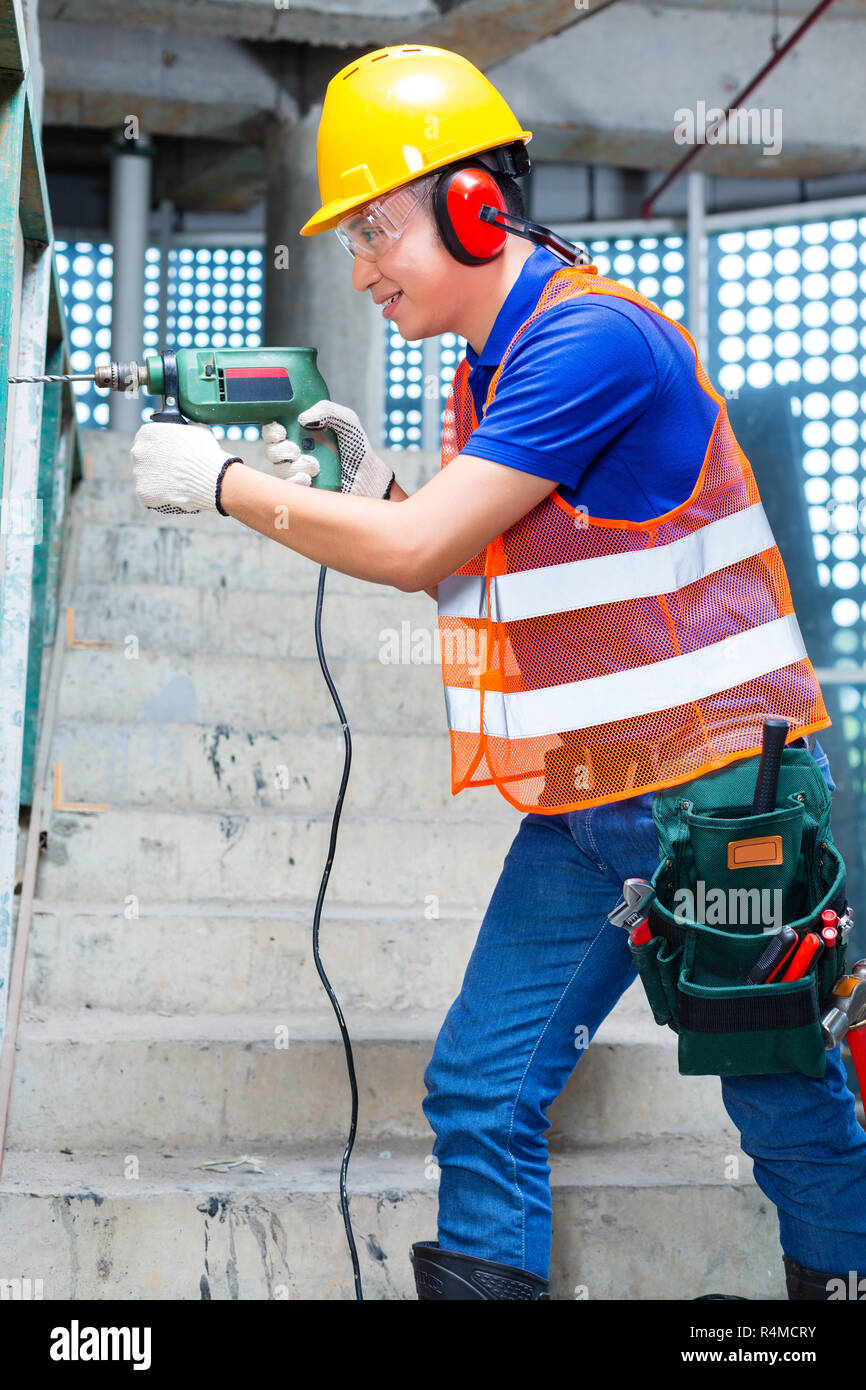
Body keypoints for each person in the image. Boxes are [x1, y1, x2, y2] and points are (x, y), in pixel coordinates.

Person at [131, 43, 866, 1301]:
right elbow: (453, 559)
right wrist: (364, 490)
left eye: (375, 232)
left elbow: (423, 549)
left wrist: (226, 487)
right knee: (480, 1085)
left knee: (780, 1093)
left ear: (475, 205)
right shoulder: (494, 368)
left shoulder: (591, 341)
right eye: (349, 242)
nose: (357, 270)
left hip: (716, 800)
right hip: (593, 808)